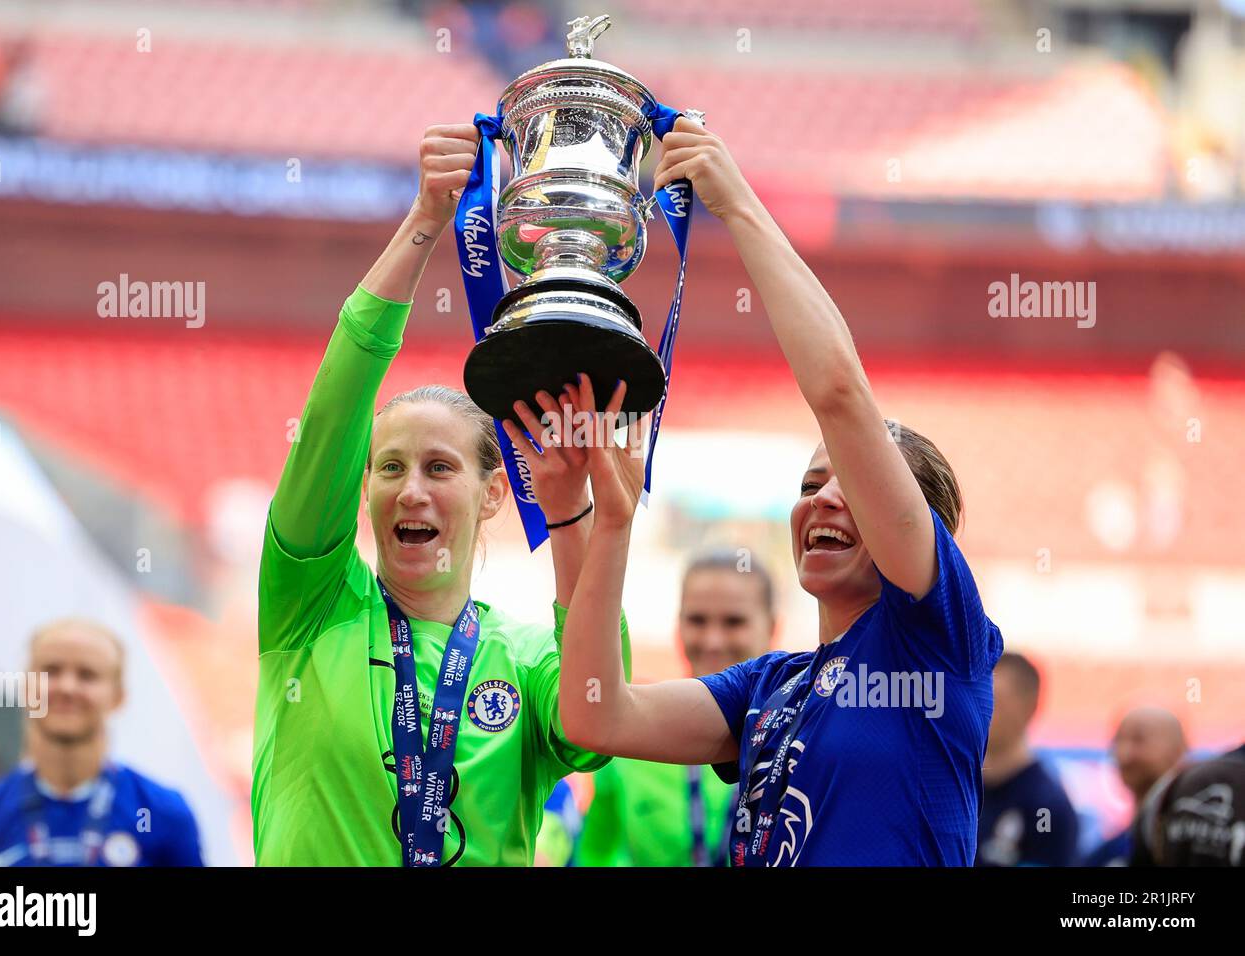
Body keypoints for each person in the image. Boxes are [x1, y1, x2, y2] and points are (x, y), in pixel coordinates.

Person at [553, 114, 1004, 866]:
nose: (821, 500)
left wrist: (737, 205)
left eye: (849, 486)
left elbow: (839, 393)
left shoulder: (935, 639)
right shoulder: (770, 688)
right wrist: (610, 526)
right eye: (808, 484)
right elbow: (595, 716)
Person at [252, 123, 630, 867]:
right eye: (389, 468)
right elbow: (334, 413)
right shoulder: (313, 603)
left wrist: (572, 514)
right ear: (362, 489)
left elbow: (597, 721)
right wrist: (426, 221)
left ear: (493, 495)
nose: (411, 491)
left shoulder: (523, 658)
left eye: (439, 468)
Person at [0, 619, 203, 867]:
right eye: (51, 672)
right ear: (26, 688)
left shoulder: (162, 813)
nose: (67, 687)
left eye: (87, 675)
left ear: (118, 696)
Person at [576, 551, 777, 867]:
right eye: (697, 620)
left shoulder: (800, 735)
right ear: (678, 625)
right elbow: (593, 855)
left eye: (733, 622)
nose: (712, 640)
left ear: (772, 627)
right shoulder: (630, 736)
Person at [976, 653, 1078, 866]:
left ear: (1029, 708)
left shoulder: (1045, 806)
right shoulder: (960, 789)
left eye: (994, 700)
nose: (982, 710)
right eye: (976, 698)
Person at [1084, 706, 1186, 866]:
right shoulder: (1111, 850)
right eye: (1118, 740)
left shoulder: (1188, 840)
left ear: (1178, 749)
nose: (1124, 753)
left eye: (1139, 739)